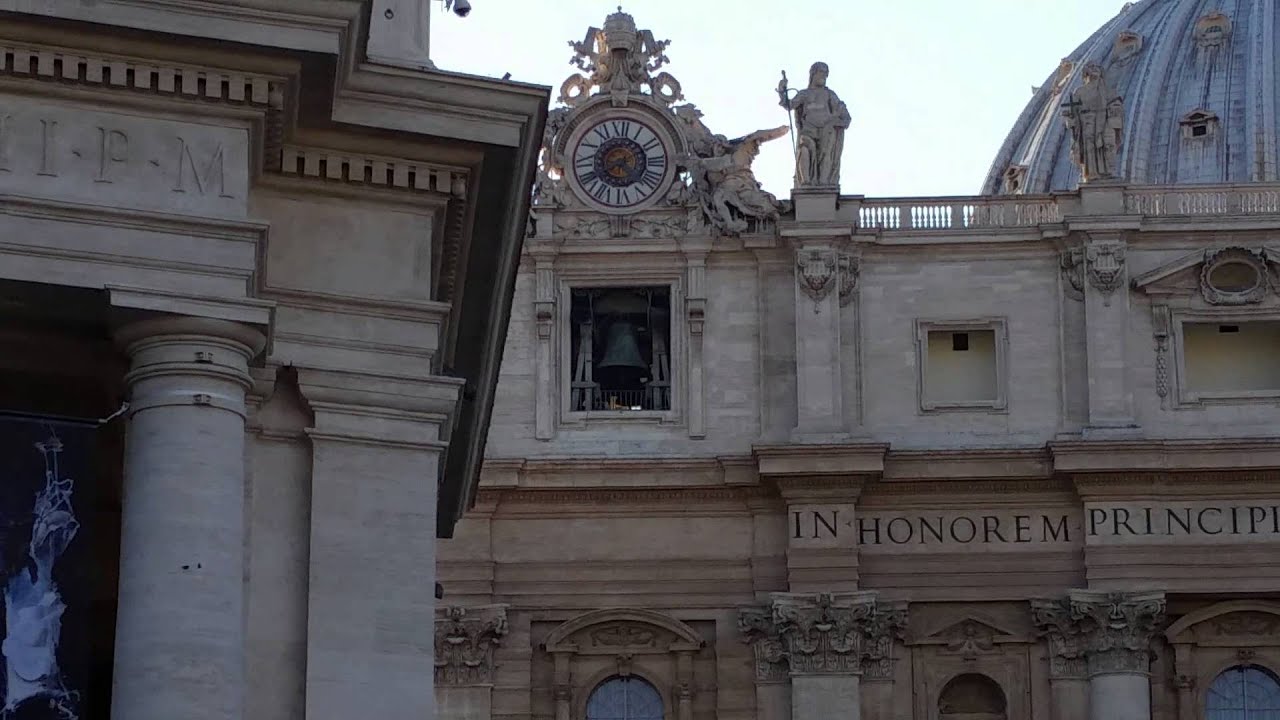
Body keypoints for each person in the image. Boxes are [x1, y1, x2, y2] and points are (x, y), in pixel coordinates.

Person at [778, 62, 852, 187]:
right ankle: (805, 184)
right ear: (813, 74)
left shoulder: (830, 95)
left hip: (826, 131)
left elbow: (845, 117)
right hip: (808, 130)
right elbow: (789, 105)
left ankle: (823, 186)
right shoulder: (804, 94)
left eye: (825, 74)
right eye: (821, 73)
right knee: (804, 150)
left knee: (825, 157)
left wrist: (835, 122)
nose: (824, 77)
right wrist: (782, 91)